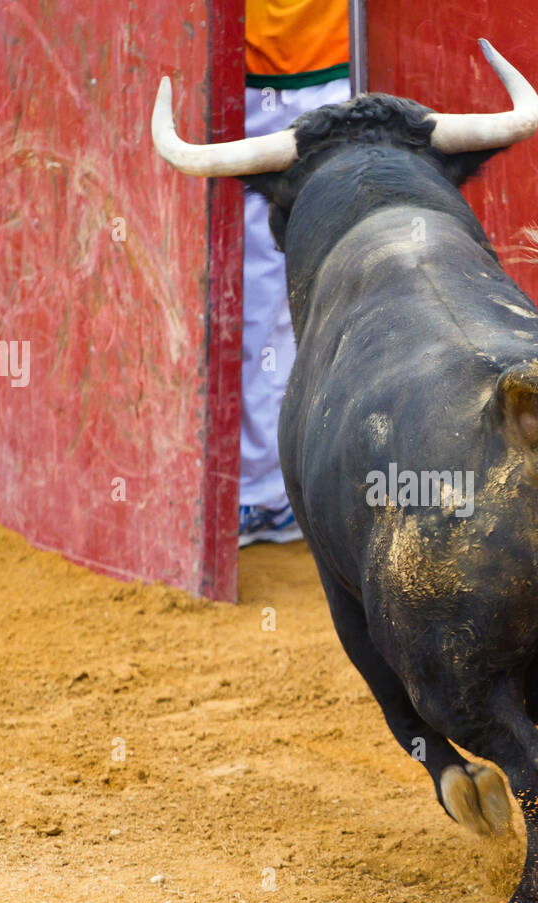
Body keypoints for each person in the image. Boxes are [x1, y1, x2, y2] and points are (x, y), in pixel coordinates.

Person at [239, 0, 351, 546]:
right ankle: (265, 489)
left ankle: (268, 491)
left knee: (272, 287)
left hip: (325, 68)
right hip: (255, 71)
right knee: (265, 291)